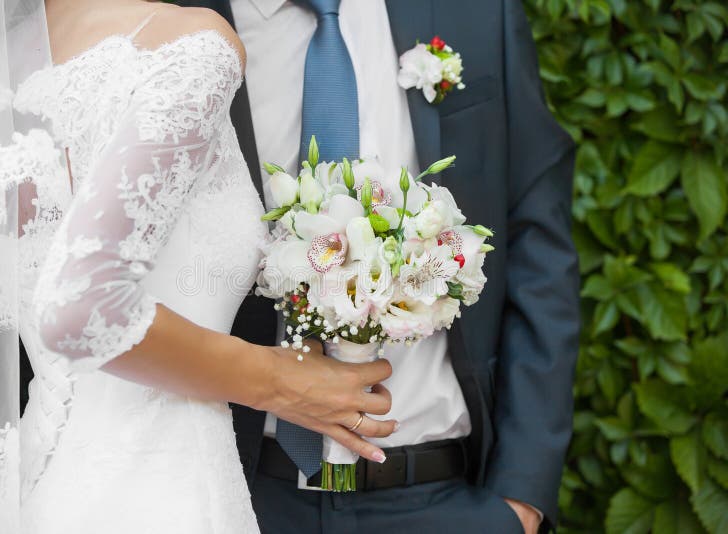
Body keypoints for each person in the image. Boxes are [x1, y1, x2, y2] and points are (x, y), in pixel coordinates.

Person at [177, 1, 581, 533]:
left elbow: (537, 235)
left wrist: (520, 500)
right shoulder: (179, 22)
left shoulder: (479, 11)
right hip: (238, 496)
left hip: (442, 498)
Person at [17, 0, 396, 532]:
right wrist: (281, 382)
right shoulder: (189, 43)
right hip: (166, 489)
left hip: (43, 481)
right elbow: (81, 306)